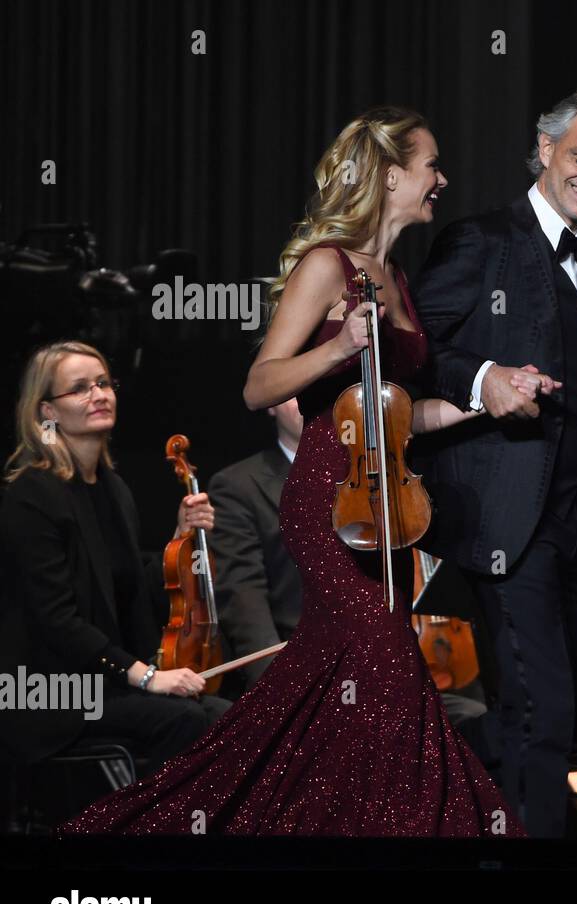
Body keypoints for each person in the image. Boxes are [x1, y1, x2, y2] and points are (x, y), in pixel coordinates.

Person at [59, 107, 524, 836]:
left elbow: (403, 412)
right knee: (391, 673)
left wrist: (486, 401)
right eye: (431, 165)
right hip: (332, 503)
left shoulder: (395, 275)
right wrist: (341, 346)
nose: (443, 181)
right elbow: (259, 385)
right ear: (390, 173)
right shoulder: (326, 265)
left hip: (391, 507)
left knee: (337, 685)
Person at [412, 90, 577, 837]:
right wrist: (485, 381)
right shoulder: (481, 239)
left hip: (571, 531)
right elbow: (417, 355)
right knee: (540, 712)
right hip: (505, 518)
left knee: (546, 713)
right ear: (544, 152)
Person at [0, 341, 230, 776]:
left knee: (225, 714)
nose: (99, 394)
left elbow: (128, 595)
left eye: (104, 383)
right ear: (47, 411)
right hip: (53, 694)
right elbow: (57, 621)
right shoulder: (32, 495)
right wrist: (145, 676)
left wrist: (179, 540)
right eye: (81, 388)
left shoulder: (114, 490)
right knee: (185, 722)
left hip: (109, 683)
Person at [206, 398, 303, 697]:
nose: (309, 400)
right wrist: (278, 687)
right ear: (270, 403)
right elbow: (244, 598)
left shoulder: (370, 473)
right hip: (299, 666)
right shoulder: (238, 486)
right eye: (294, 391)